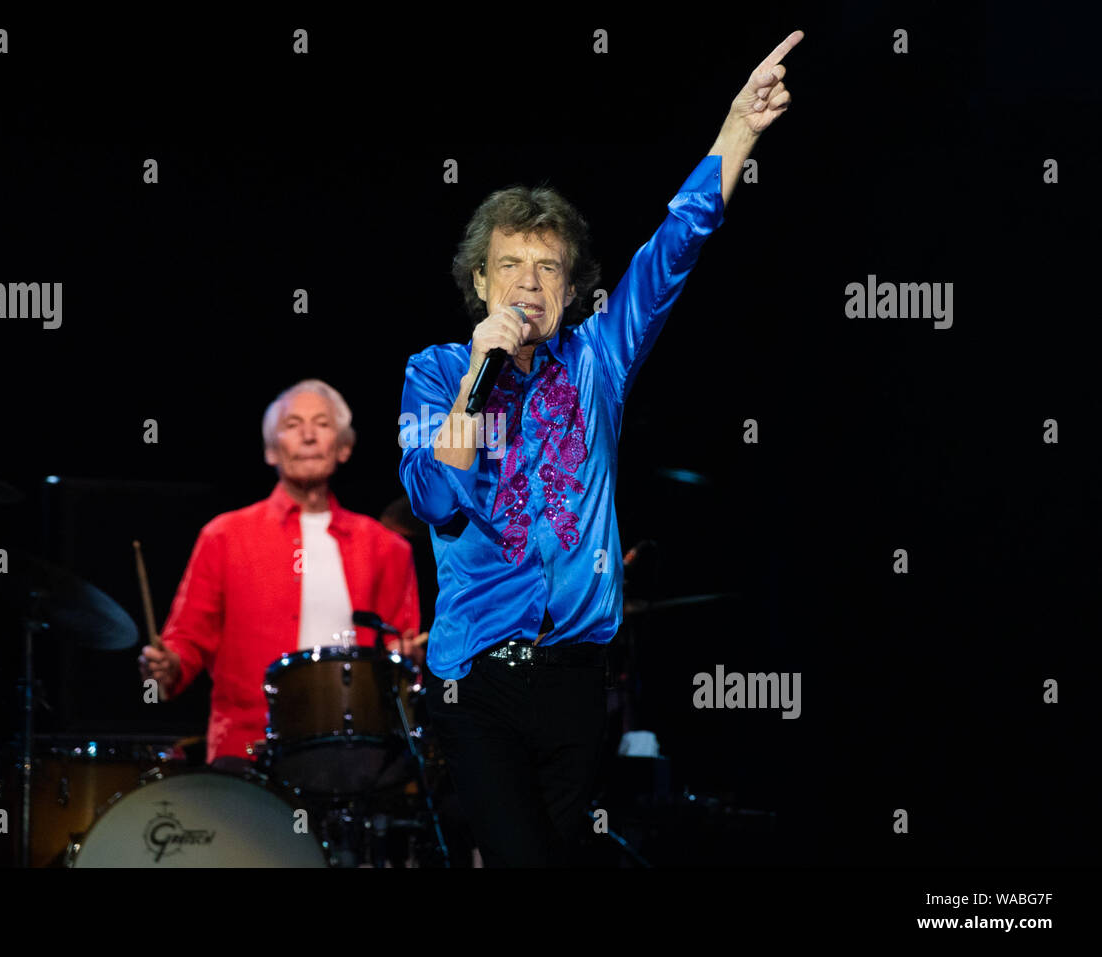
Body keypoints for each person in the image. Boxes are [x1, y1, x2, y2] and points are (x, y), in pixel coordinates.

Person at [398, 32, 803, 866]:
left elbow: (674, 249)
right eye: (509, 266)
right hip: (477, 677)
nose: (527, 284)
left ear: (574, 286)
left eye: (548, 269)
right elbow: (435, 499)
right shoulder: (435, 371)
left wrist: (737, 132)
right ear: (479, 281)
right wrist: (482, 367)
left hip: (579, 674)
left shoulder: (598, 359)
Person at [140, 379, 422, 771]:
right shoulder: (224, 535)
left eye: (322, 424)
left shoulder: (387, 547)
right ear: (271, 450)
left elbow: (403, 648)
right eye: (293, 425)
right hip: (248, 751)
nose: (307, 435)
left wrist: (408, 658)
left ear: (343, 447)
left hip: (358, 754)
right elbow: (185, 640)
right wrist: (168, 665)